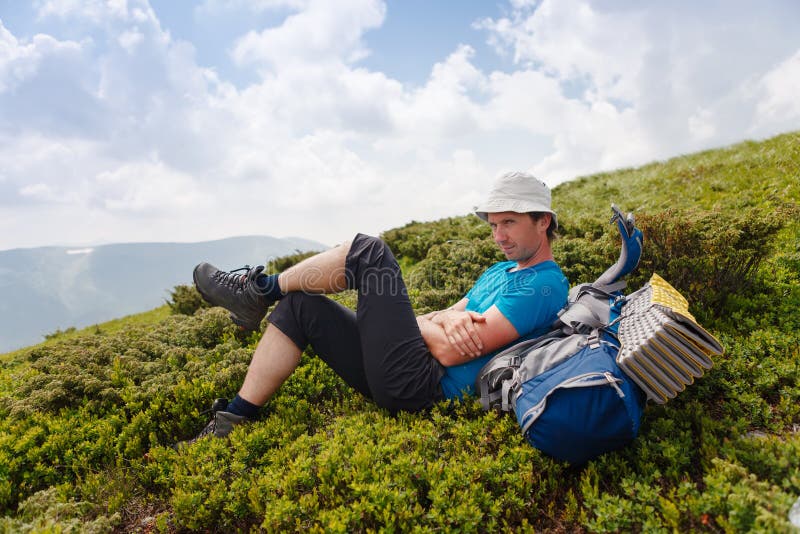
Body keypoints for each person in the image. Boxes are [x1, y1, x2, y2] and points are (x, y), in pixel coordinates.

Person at [183, 171, 569, 444]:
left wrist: (435, 324)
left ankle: (259, 291)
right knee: (300, 305)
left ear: (542, 222)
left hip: (425, 388)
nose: (499, 236)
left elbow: (452, 351)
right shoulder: (499, 271)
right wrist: (441, 321)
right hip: (407, 370)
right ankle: (234, 417)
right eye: (494, 225)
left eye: (509, 223)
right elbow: (439, 320)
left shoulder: (545, 284)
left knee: (370, 253)